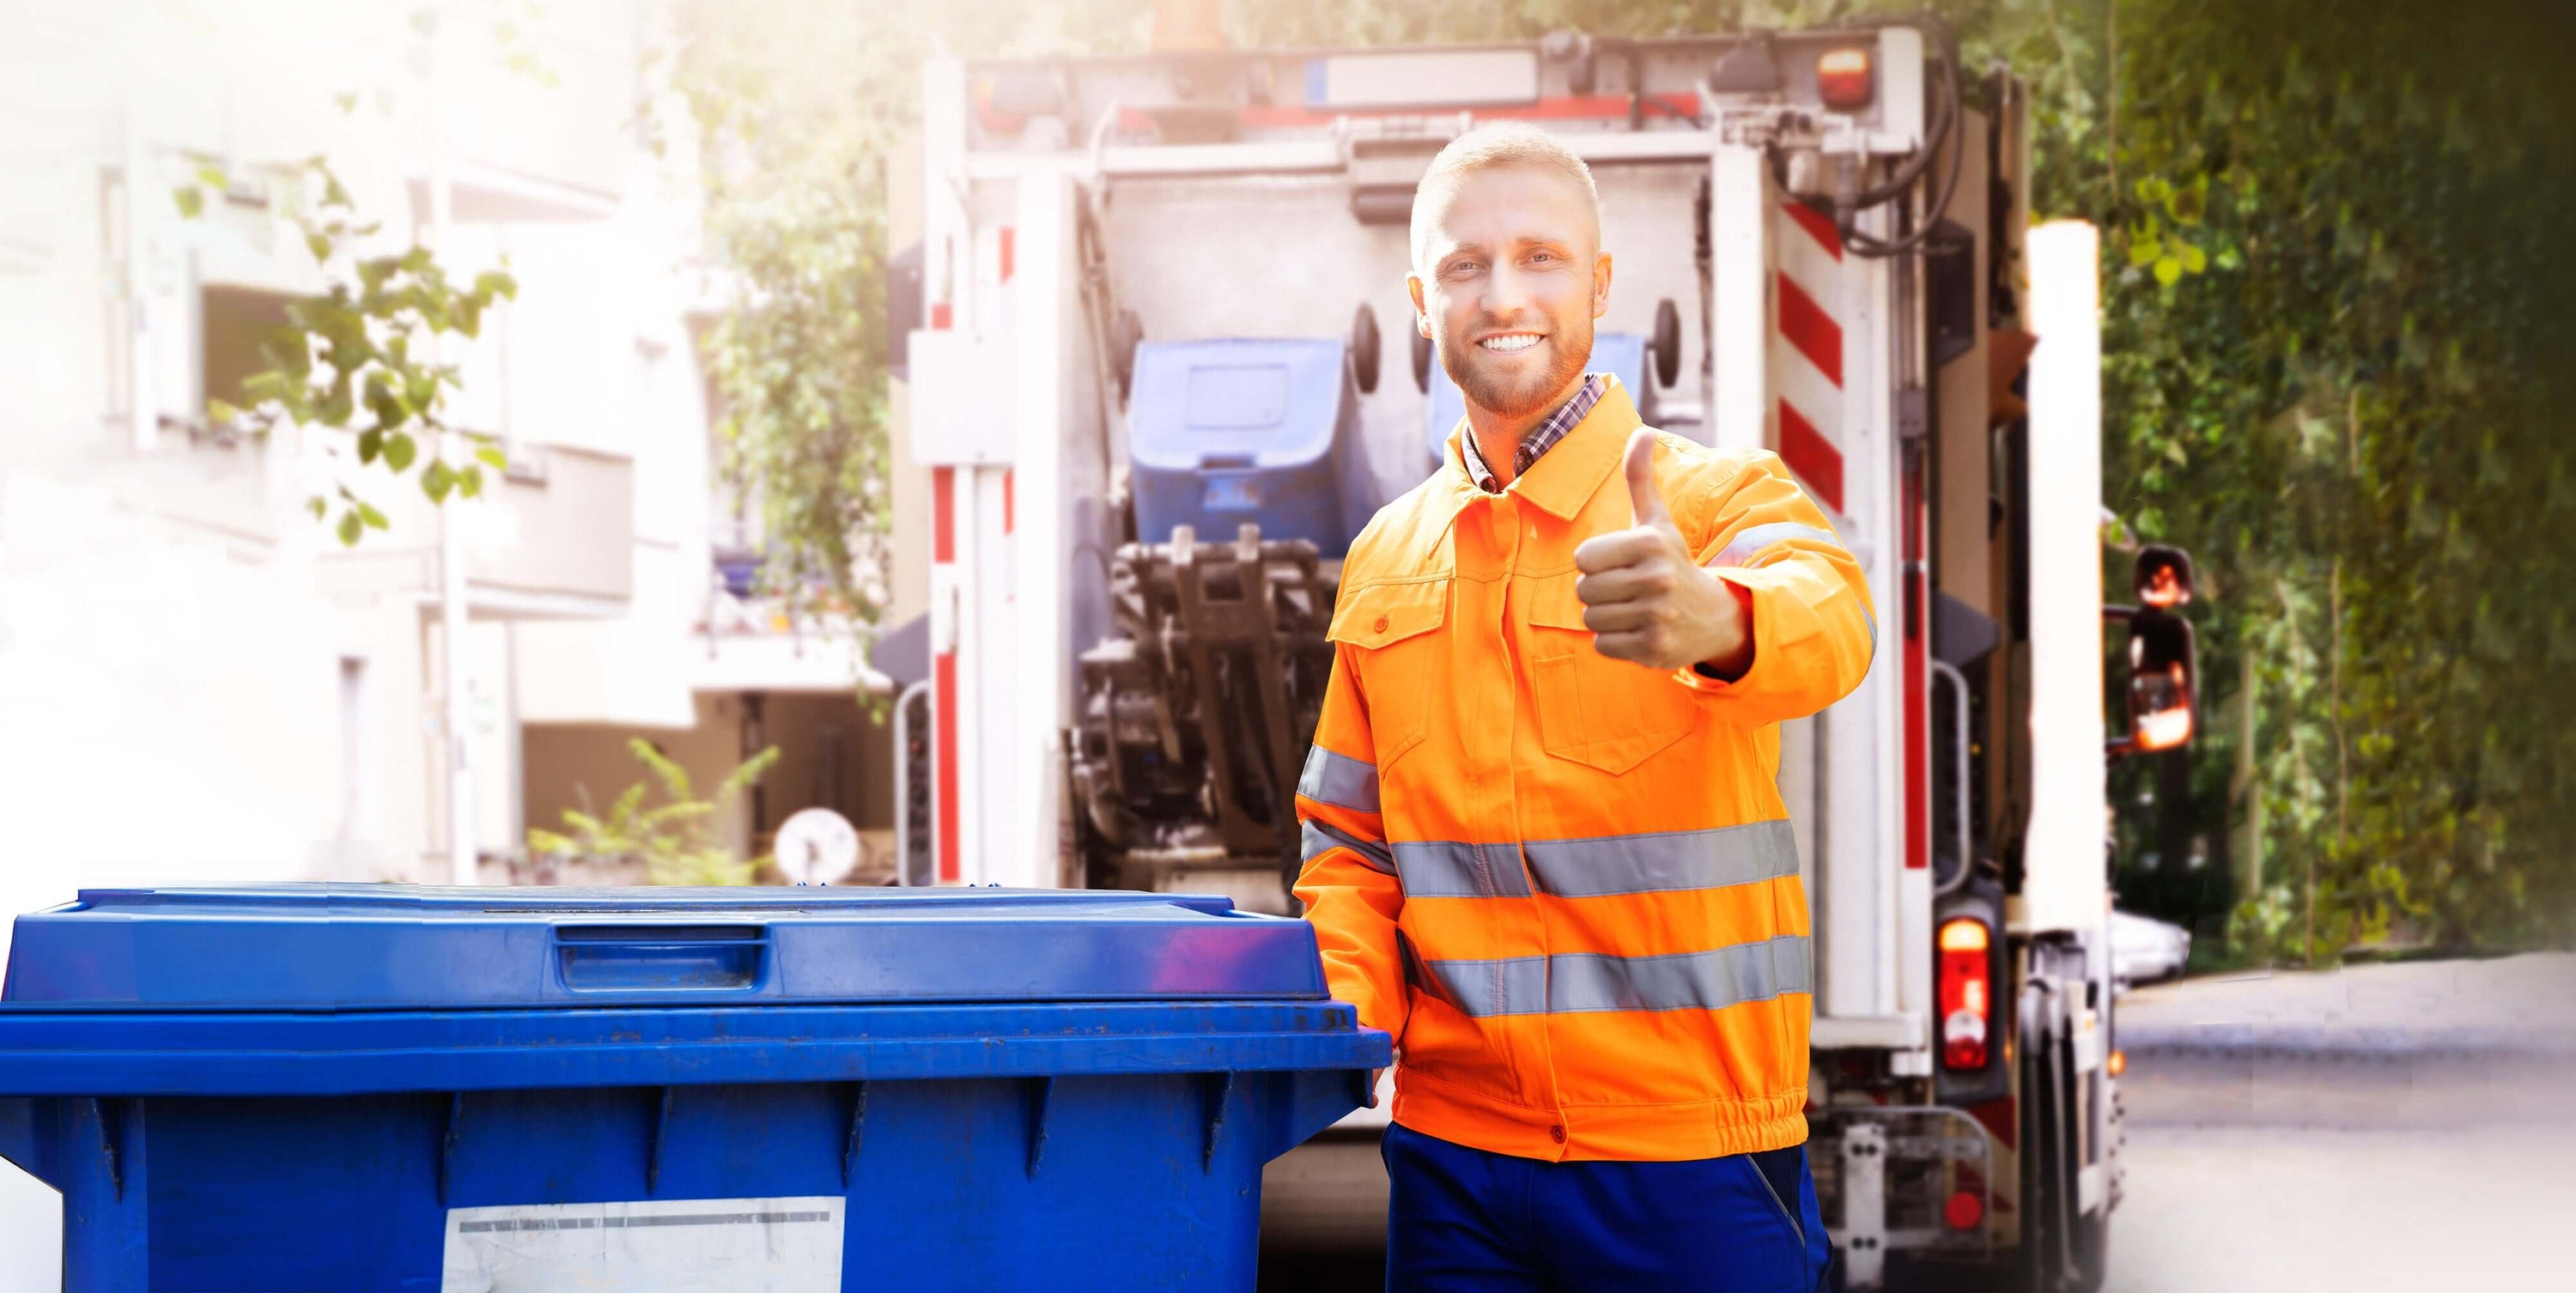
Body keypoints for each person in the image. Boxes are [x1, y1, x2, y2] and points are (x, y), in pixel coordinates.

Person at [1292, 122, 1875, 1292]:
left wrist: (1722, 618)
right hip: (1456, 1166)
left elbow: (1835, 615)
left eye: (1542, 258)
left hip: (1690, 1157)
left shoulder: (1709, 501)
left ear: (1600, 284)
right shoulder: (1387, 556)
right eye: (1466, 266)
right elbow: (1349, 845)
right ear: (1422, 302)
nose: (1504, 294)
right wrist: (1343, 1032)